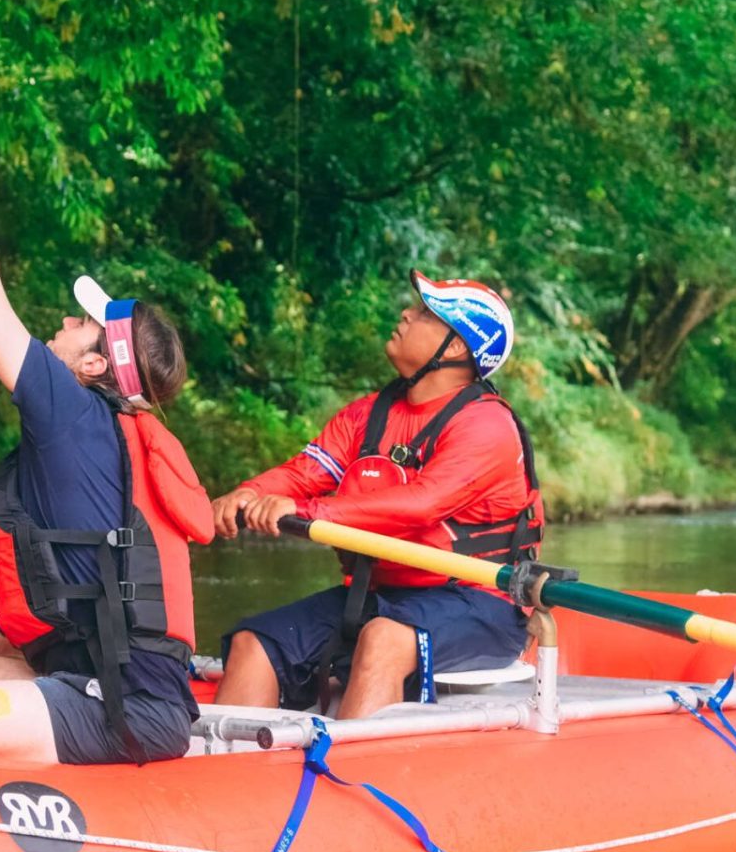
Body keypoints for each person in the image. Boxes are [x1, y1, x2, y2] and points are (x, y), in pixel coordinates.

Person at [0, 72, 215, 765]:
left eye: (80, 323)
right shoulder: (102, 426)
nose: (63, 321)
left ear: (93, 365)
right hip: (85, 671)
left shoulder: (68, 407)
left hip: (124, 706)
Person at [211, 272, 545, 718]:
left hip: (480, 605)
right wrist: (248, 492)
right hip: (380, 597)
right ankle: (229, 779)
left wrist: (307, 511)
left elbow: (422, 503)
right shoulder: (366, 414)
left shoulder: (486, 426)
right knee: (256, 641)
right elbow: (304, 474)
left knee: (383, 637)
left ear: (459, 347)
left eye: (426, 313)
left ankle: (351, 777)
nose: (407, 314)